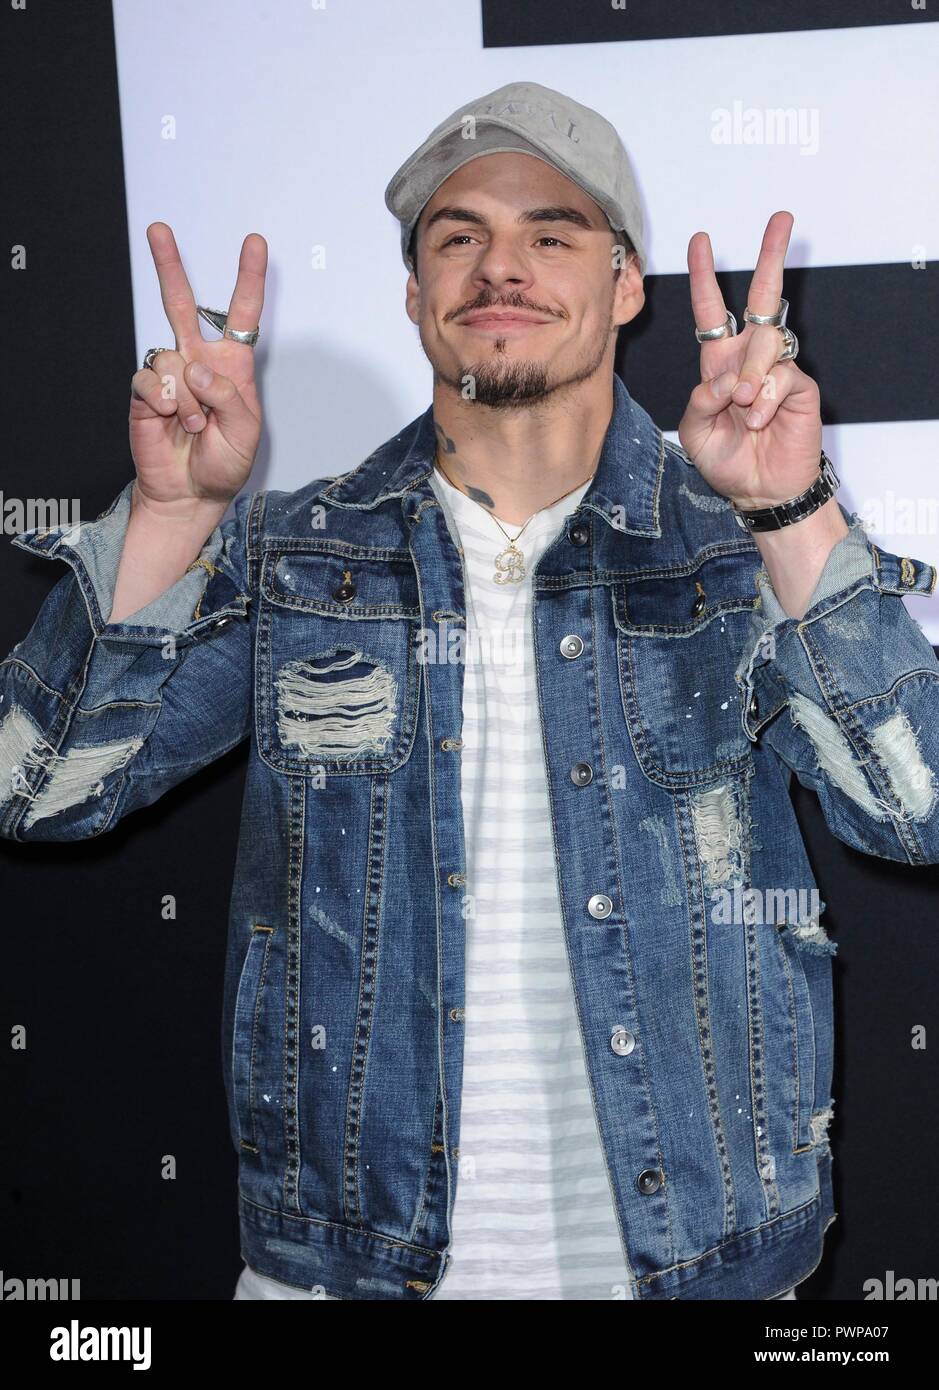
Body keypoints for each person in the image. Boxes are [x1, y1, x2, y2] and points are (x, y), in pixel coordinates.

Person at [3, 81, 937, 1301]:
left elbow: (916, 810)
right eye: (459, 237)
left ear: (621, 286)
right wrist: (175, 519)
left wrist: (789, 512)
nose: (503, 266)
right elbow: (35, 787)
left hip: (698, 1272)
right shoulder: (301, 552)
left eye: (551, 233)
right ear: (414, 294)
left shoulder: (730, 547)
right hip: (338, 1274)